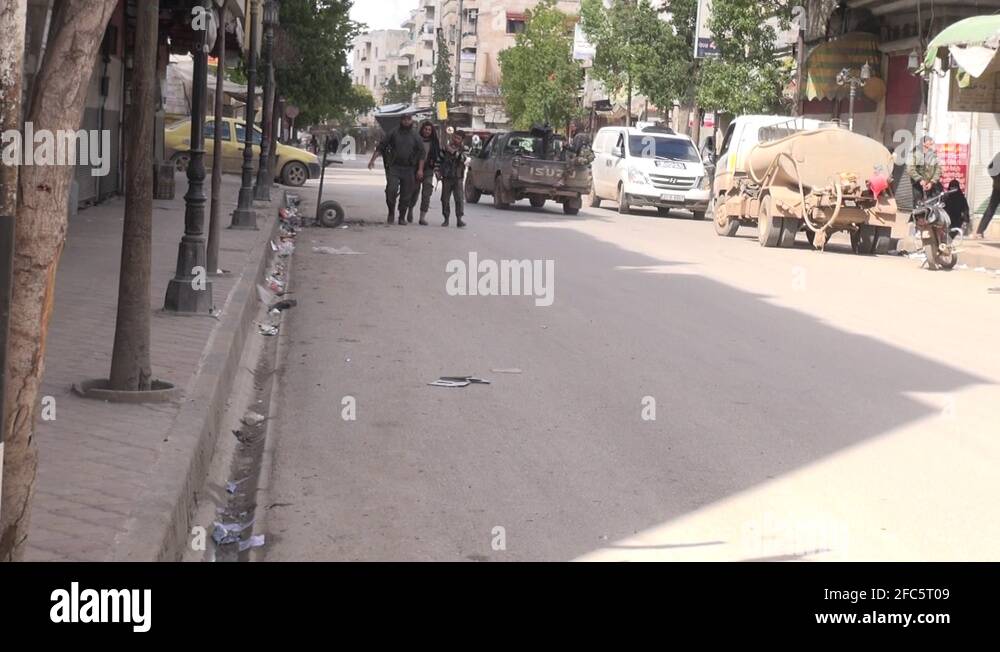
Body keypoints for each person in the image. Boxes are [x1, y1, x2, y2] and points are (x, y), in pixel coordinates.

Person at [368, 114, 426, 225]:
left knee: (406, 194)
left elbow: (422, 153)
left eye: (408, 119)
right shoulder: (393, 132)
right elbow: (381, 146)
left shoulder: (415, 136)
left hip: (409, 168)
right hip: (394, 167)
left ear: (411, 121)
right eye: (404, 119)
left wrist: (420, 170)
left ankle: (402, 217)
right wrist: (372, 160)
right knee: (391, 190)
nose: (406, 122)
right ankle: (391, 212)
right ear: (401, 120)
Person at [407, 120, 440, 225]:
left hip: (428, 170)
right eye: (425, 129)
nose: (427, 131)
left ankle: (422, 217)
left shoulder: (434, 142)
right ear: (422, 129)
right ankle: (410, 209)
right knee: (414, 192)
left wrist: (437, 170)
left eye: (429, 130)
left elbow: (437, 157)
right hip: (415, 169)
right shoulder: (416, 140)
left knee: (426, 193)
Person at [437, 130, 467, 228]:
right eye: (454, 137)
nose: (455, 140)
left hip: (458, 178)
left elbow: (463, 159)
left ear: (462, 140)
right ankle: (446, 219)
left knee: (459, 199)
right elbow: (439, 160)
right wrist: (437, 172)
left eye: (458, 138)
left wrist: (453, 152)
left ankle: (459, 219)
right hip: (447, 177)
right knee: (445, 199)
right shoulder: (445, 148)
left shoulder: (464, 149)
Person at [974, 152, 1000, 239]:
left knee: (990, 209)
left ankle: (979, 232)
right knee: (991, 209)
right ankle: (979, 232)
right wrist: (997, 180)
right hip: (998, 188)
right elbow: (990, 169)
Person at [907, 135, 941, 203]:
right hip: (918, 186)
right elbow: (910, 169)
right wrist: (920, 180)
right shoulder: (915, 154)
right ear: (923, 143)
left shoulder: (933, 155)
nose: (931, 142)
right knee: (918, 206)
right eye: (929, 141)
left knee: (932, 207)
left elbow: (938, 169)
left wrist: (932, 182)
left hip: (931, 186)